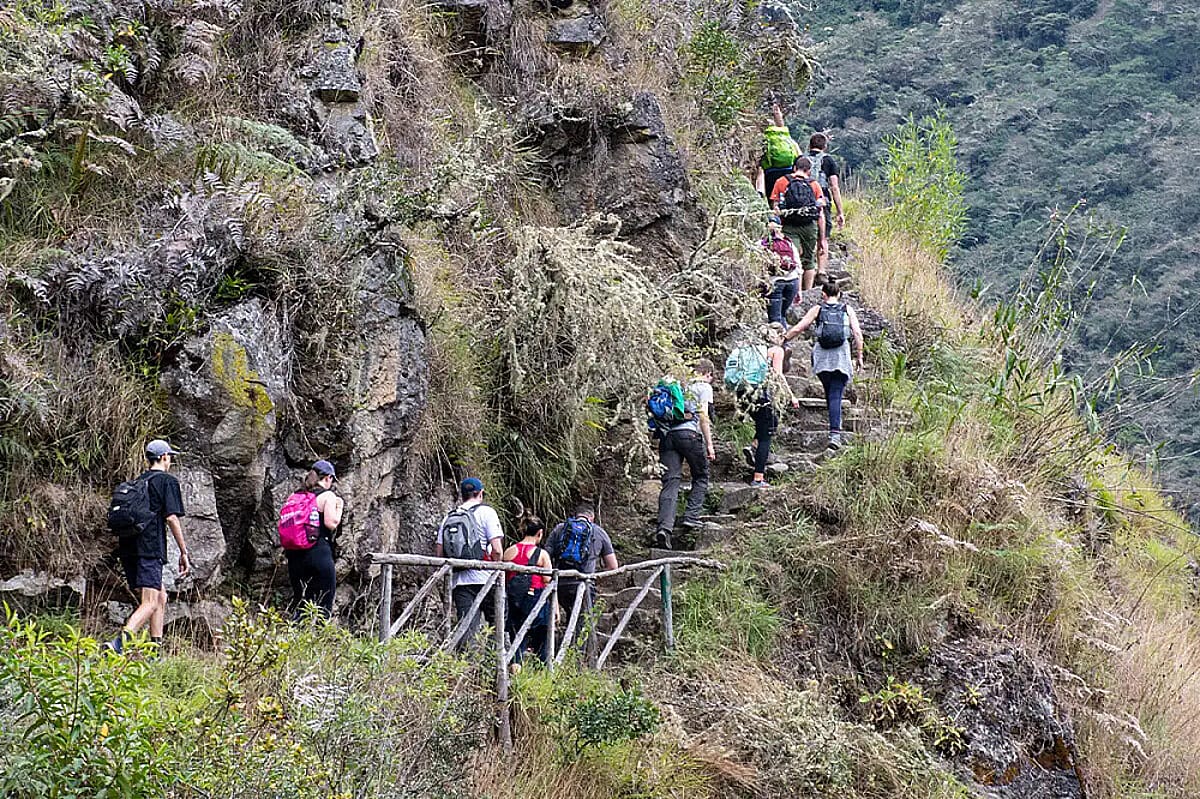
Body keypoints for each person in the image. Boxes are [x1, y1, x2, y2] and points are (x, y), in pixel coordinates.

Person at [105, 439, 190, 655]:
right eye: (170, 456)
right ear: (163, 457)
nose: (170, 460)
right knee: (150, 602)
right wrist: (183, 551)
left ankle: (155, 651)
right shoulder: (166, 482)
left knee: (160, 596)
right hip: (149, 547)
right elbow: (171, 518)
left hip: (129, 546)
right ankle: (118, 645)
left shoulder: (138, 481)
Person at [783, 282, 864, 449]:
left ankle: (834, 427)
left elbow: (800, 327)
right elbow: (857, 332)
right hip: (841, 355)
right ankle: (835, 433)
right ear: (839, 294)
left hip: (822, 357)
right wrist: (860, 356)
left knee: (830, 392)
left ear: (823, 294)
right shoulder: (847, 309)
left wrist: (783, 339)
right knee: (835, 394)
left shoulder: (818, 309)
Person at [435, 477, 503, 649]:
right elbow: (497, 550)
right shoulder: (487, 512)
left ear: (462, 495)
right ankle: (493, 667)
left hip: (460, 582)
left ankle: (466, 669)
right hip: (486, 579)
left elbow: (439, 553)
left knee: (466, 628)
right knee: (499, 625)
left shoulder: (449, 517)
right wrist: (496, 568)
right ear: (480, 493)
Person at [655, 359, 716, 548]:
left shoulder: (679, 385)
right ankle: (691, 516)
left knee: (671, 481)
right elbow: (703, 417)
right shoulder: (703, 387)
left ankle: (664, 528)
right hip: (689, 434)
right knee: (701, 476)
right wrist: (709, 445)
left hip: (667, 436)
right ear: (707, 373)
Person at [546, 503, 617, 650]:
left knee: (555, 618)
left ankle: (551, 653)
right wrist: (595, 578)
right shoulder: (599, 533)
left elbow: (546, 557)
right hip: (583, 585)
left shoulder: (560, 529)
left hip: (559, 586)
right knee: (583, 621)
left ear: (575, 515)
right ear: (592, 518)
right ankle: (577, 657)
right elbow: (613, 566)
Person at [739, 325, 797, 487]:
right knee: (767, 434)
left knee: (766, 423)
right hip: (760, 395)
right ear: (778, 336)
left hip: (743, 394)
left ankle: (753, 447)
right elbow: (778, 376)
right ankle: (758, 478)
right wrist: (791, 396)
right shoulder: (776, 351)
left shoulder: (752, 349)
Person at [284, 459, 343, 620]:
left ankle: (295, 638)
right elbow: (331, 523)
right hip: (319, 555)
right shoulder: (327, 496)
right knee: (323, 603)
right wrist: (339, 507)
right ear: (328, 478)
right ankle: (321, 640)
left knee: (301, 603)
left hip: (295, 557)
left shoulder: (294, 496)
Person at [503, 516, 555, 665]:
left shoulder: (509, 552)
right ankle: (544, 670)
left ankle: (515, 669)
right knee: (542, 636)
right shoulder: (542, 555)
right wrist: (555, 607)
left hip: (513, 601)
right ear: (540, 533)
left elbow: (505, 578)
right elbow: (548, 581)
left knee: (517, 637)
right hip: (535, 600)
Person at [770, 157, 827, 292]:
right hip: (809, 226)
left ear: (794, 168)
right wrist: (822, 238)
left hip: (788, 225)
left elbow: (775, 207)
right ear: (809, 171)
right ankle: (808, 292)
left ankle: (796, 293)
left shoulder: (781, 182)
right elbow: (820, 213)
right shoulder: (814, 184)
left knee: (793, 258)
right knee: (809, 260)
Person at [805, 133, 845, 275]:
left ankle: (806, 268)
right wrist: (840, 212)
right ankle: (821, 271)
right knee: (823, 237)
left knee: (805, 233)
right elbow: (834, 186)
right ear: (825, 147)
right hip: (823, 200)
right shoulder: (828, 160)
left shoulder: (801, 160)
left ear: (809, 145)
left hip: (803, 200)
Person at [761, 215, 801, 325]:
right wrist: (799, 290)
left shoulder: (762, 244)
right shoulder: (789, 243)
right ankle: (784, 340)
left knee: (775, 319)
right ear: (780, 228)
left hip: (775, 282)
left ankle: (778, 341)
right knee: (782, 314)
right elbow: (798, 267)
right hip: (792, 281)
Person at [755, 104, 801, 199]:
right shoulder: (786, 137)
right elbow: (800, 156)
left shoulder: (764, 139)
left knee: (772, 199)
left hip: (771, 172)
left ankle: (763, 200)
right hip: (789, 170)